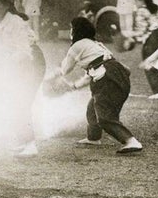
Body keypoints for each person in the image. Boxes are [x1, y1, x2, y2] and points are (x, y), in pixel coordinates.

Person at [45, 17, 142, 154]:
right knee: (92, 108)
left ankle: (131, 141)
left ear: (77, 31)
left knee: (104, 117)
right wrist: (73, 86)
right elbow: (94, 71)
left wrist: (51, 76)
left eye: (72, 28)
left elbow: (65, 69)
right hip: (117, 75)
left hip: (108, 78)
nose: (71, 32)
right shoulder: (95, 44)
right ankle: (93, 138)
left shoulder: (77, 46)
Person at [0, 0, 45, 157]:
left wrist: (4, 64)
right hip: (18, 63)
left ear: (6, 5)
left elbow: (24, 52)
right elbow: (2, 50)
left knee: (20, 102)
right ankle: (23, 140)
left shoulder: (15, 22)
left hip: (32, 61)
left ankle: (30, 144)